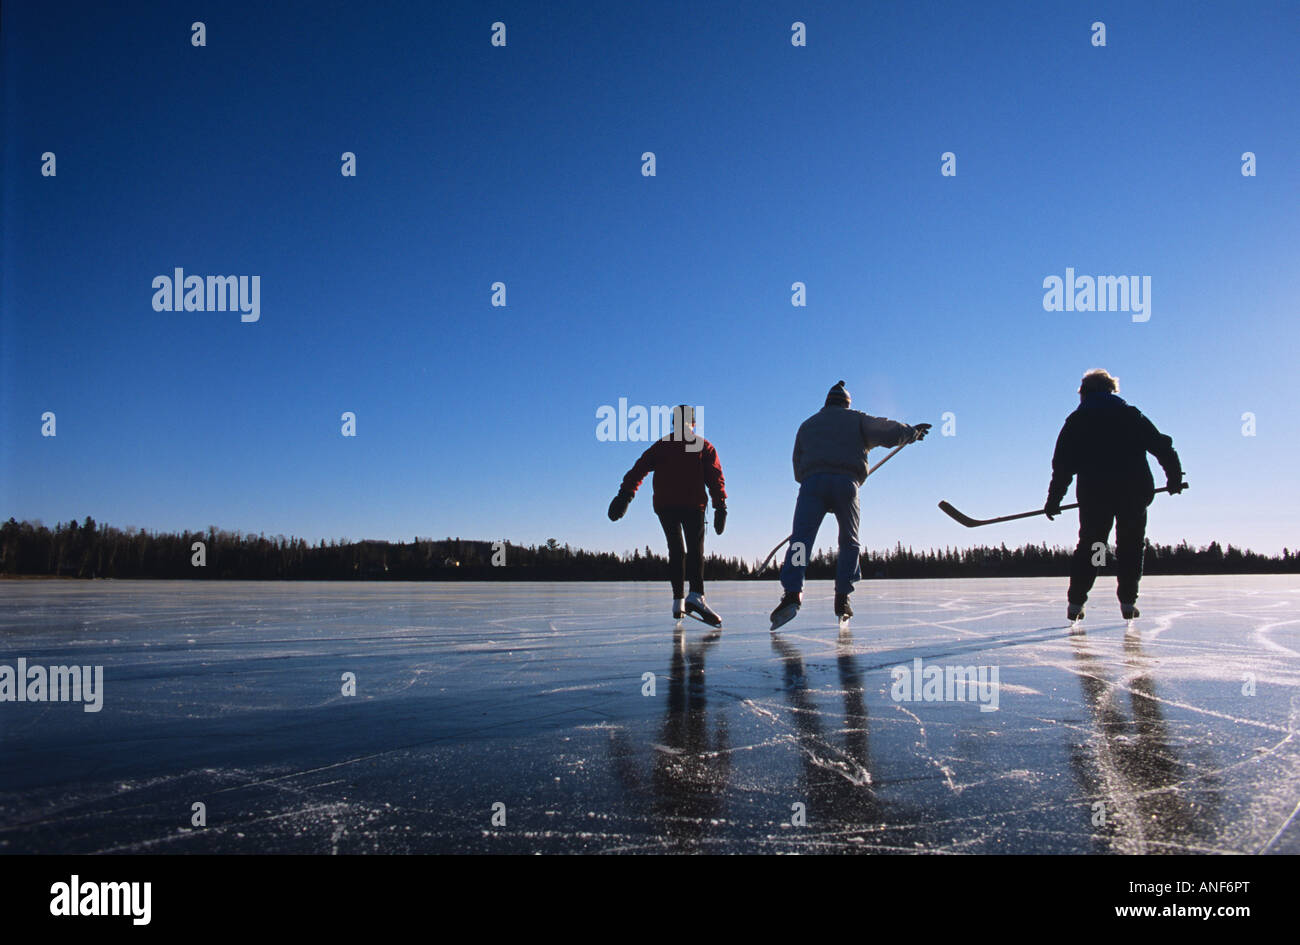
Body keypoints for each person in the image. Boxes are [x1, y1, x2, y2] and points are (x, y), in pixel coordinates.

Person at [770, 381, 929, 630]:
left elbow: (797, 463)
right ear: (846, 403)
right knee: (849, 541)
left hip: (812, 485)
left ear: (826, 402)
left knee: (801, 541)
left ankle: (792, 593)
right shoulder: (856, 420)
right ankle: (843, 597)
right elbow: (888, 430)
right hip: (846, 485)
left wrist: (813, 478)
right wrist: (912, 433)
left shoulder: (808, 424)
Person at [1044, 369, 1184, 622]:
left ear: (1085, 393)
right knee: (1130, 545)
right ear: (1111, 390)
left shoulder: (1078, 420)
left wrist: (1054, 499)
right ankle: (1128, 602)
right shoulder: (1130, 414)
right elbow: (1162, 446)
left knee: (1094, 546)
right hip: (1134, 492)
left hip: (1095, 495)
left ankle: (1076, 603)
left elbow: (1063, 465)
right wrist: (1174, 478)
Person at [608, 405, 727, 626]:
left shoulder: (663, 446)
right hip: (693, 506)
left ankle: (678, 600)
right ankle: (696, 595)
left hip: (666, 505)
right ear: (693, 423)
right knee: (694, 550)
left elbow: (638, 469)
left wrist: (625, 495)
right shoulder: (701, 446)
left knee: (676, 549)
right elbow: (715, 477)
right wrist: (720, 506)